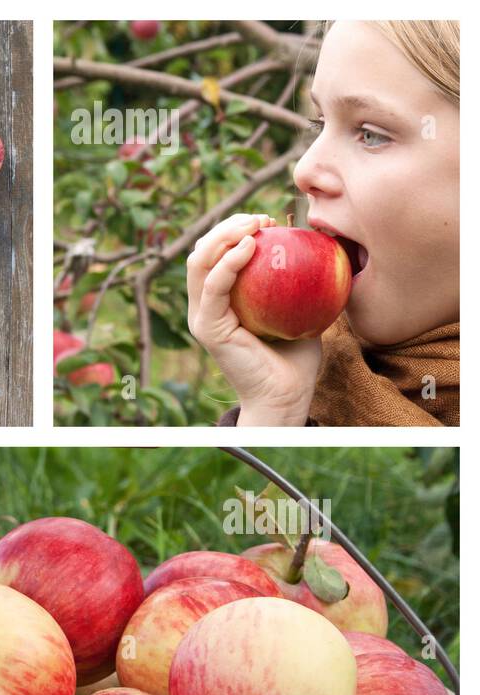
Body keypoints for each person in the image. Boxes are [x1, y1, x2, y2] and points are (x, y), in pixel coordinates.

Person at [188, 20, 458, 426]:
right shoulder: (318, 382)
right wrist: (274, 411)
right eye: (319, 123)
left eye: (371, 134)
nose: (304, 170)